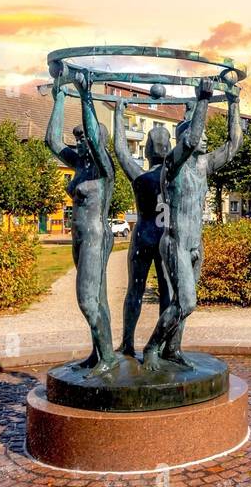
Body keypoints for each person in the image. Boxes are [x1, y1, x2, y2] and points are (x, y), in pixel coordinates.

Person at [141, 78, 242, 370]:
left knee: (182, 306)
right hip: (174, 243)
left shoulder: (203, 165)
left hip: (196, 245)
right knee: (186, 302)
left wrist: (234, 103)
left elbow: (234, 144)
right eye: (198, 133)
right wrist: (202, 101)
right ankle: (151, 348)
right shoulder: (174, 165)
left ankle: (172, 350)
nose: (204, 138)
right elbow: (192, 139)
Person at [45, 67, 118, 375]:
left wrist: (86, 95)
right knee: (97, 298)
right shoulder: (79, 165)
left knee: (88, 300)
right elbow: (51, 141)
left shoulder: (103, 169)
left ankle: (108, 358)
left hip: (95, 236)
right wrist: (59, 96)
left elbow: (93, 135)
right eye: (76, 139)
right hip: (80, 236)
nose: (77, 143)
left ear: (96, 142)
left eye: (83, 139)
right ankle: (100, 353)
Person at [111, 100, 171, 356]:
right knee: (167, 291)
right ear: (168, 150)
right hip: (166, 236)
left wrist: (118, 114)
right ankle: (165, 344)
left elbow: (120, 150)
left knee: (134, 289)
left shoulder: (139, 176)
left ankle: (127, 342)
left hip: (143, 236)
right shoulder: (174, 176)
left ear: (146, 151)